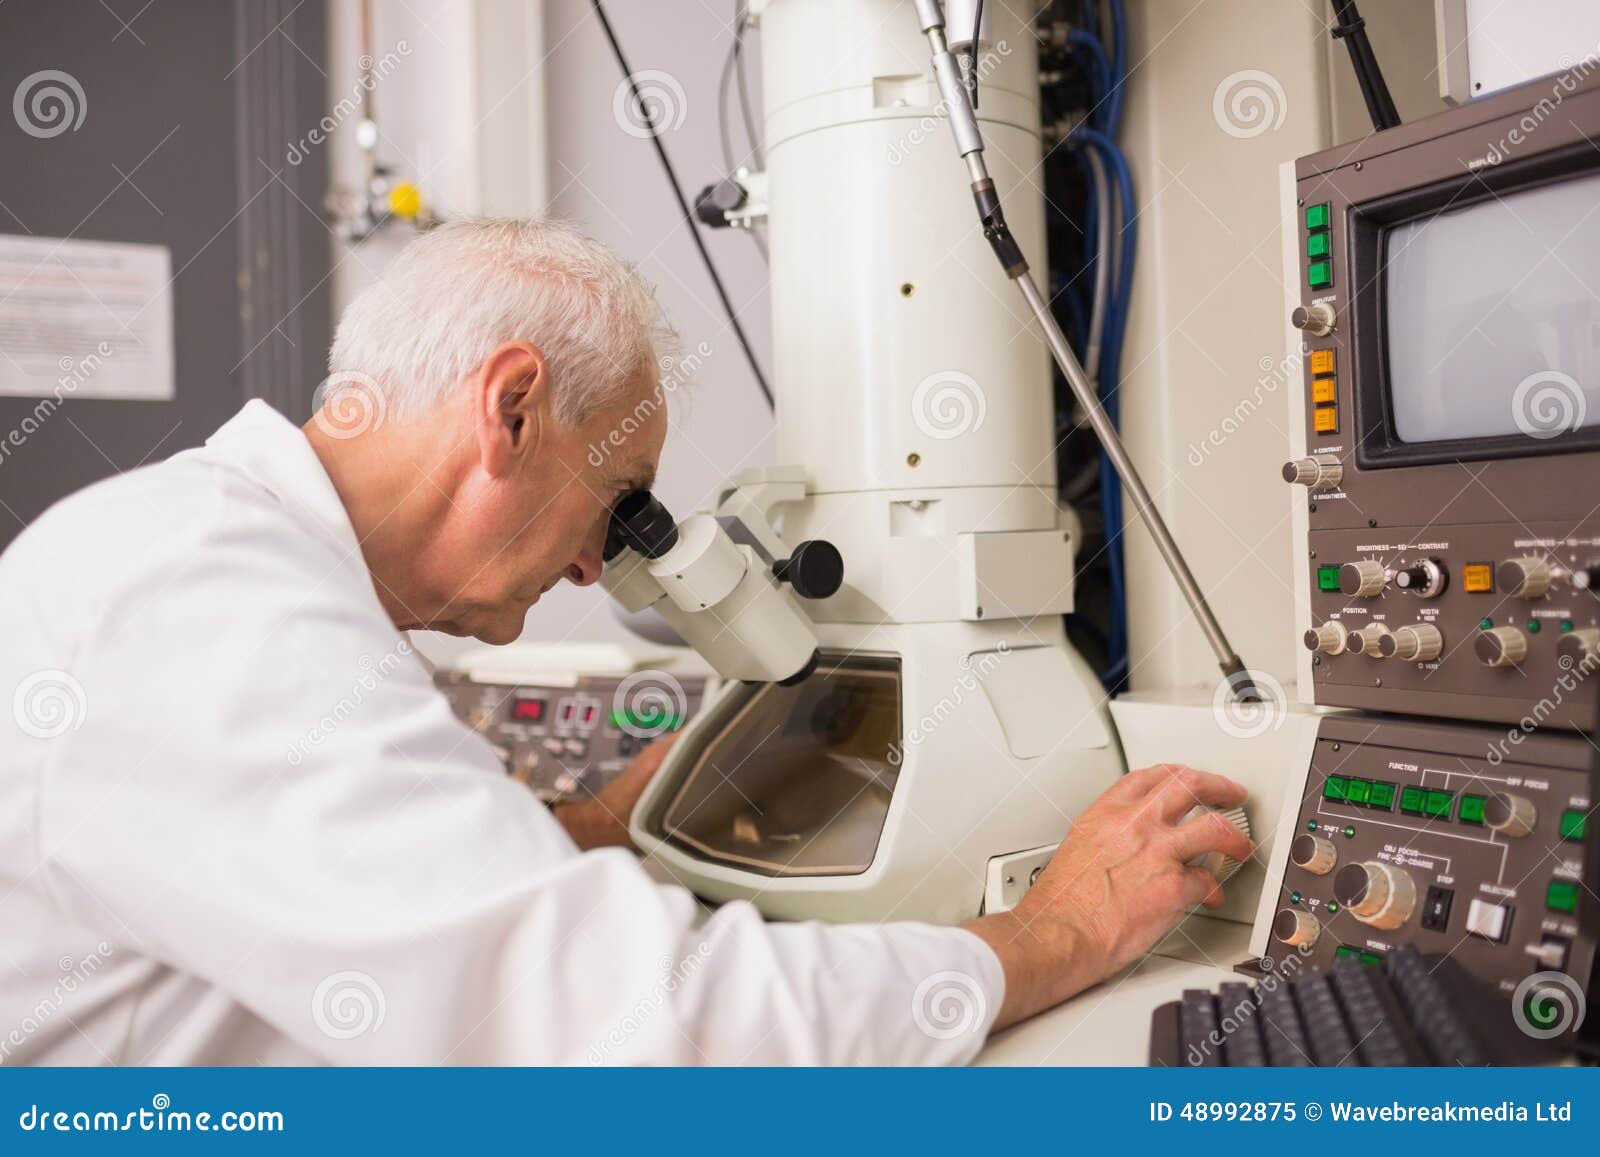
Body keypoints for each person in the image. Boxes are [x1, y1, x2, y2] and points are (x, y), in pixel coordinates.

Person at [0, 219, 1251, 1065]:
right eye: (623, 497)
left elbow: (308, 891)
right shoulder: (203, 599)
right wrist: (1055, 934)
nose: (602, 562)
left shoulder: (213, 559)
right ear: (512, 408)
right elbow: (629, 1033)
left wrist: (583, 835)